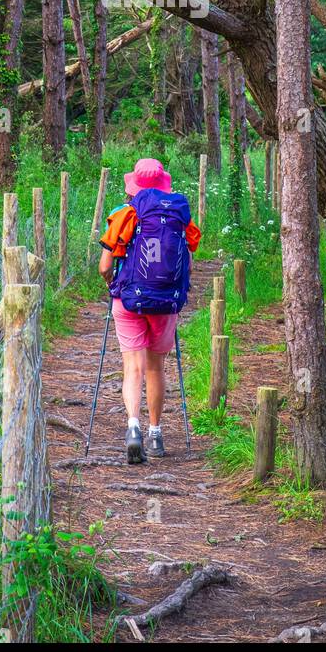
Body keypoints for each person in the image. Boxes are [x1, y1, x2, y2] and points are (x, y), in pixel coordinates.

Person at [98, 157, 201, 463]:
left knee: (133, 367)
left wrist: (112, 283)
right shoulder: (179, 216)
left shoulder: (123, 214)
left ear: (134, 186)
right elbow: (188, 262)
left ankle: (133, 429)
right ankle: (156, 434)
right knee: (156, 367)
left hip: (128, 300)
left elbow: (105, 266)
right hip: (166, 303)